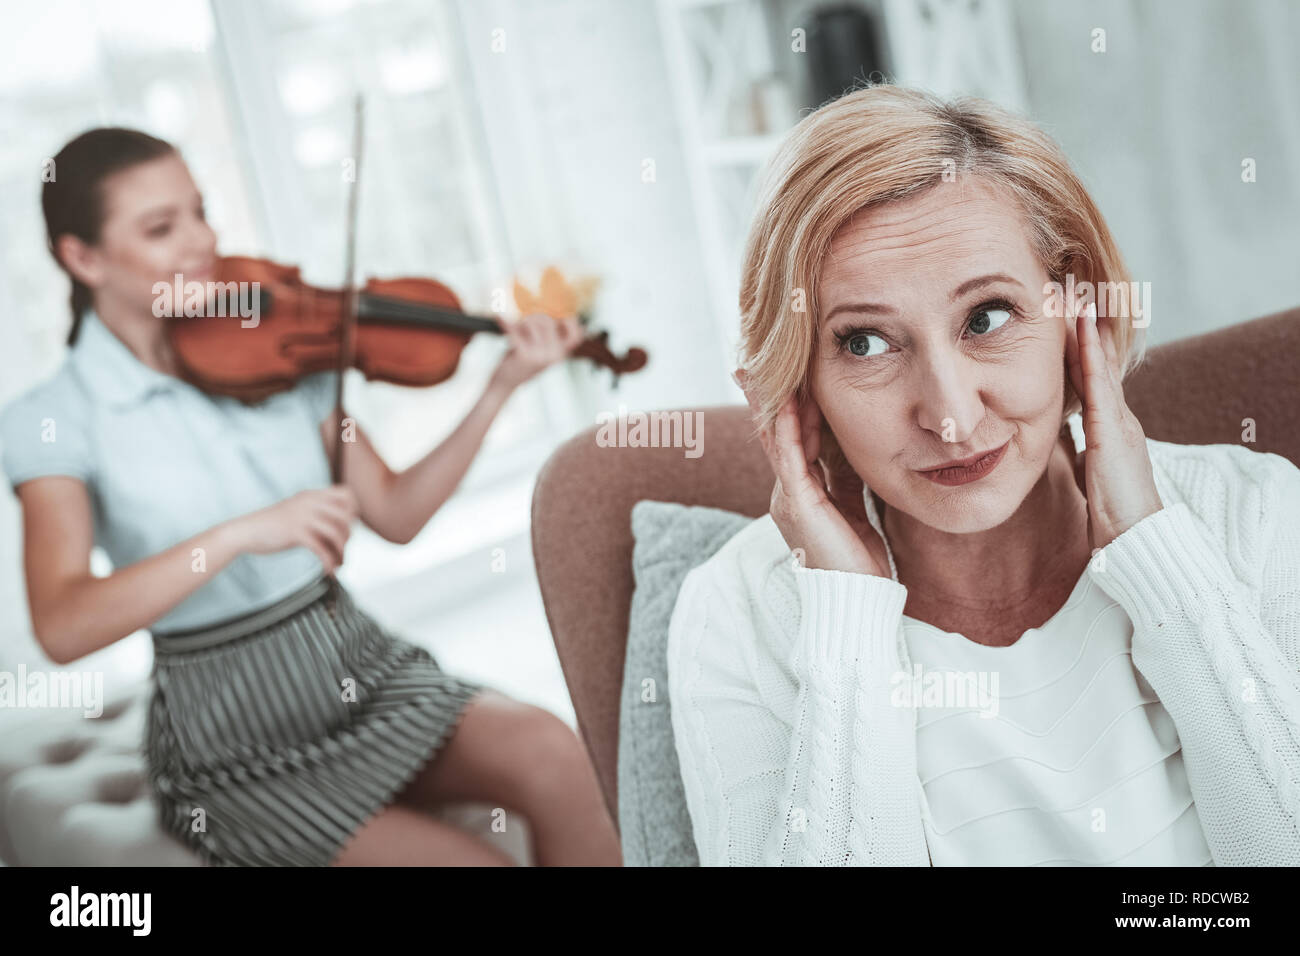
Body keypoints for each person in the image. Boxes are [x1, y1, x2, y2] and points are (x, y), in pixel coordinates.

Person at [666, 85, 1300, 866]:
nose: (951, 418)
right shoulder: (734, 613)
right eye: (865, 342)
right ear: (797, 388)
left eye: (987, 317)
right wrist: (848, 626)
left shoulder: (1256, 513)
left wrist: (1157, 554)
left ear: (1079, 313)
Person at [0, 127, 622, 867]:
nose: (202, 241)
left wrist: (498, 390)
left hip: (360, 665)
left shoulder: (272, 344)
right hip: (231, 736)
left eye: (200, 212)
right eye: (162, 228)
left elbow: (396, 514)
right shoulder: (56, 420)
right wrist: (236, 535)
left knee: (557, 752)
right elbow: (64, 626)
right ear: (83, 258)